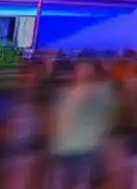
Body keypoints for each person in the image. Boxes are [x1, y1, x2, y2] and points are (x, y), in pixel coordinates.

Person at [50, 61, 118, 189]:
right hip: (65, 149)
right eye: (81, 68)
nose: (83, 71)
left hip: (86, 149)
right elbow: (58, 119)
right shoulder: (66, 93)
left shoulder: (101, 92)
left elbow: (108, 117)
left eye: (87, 69)